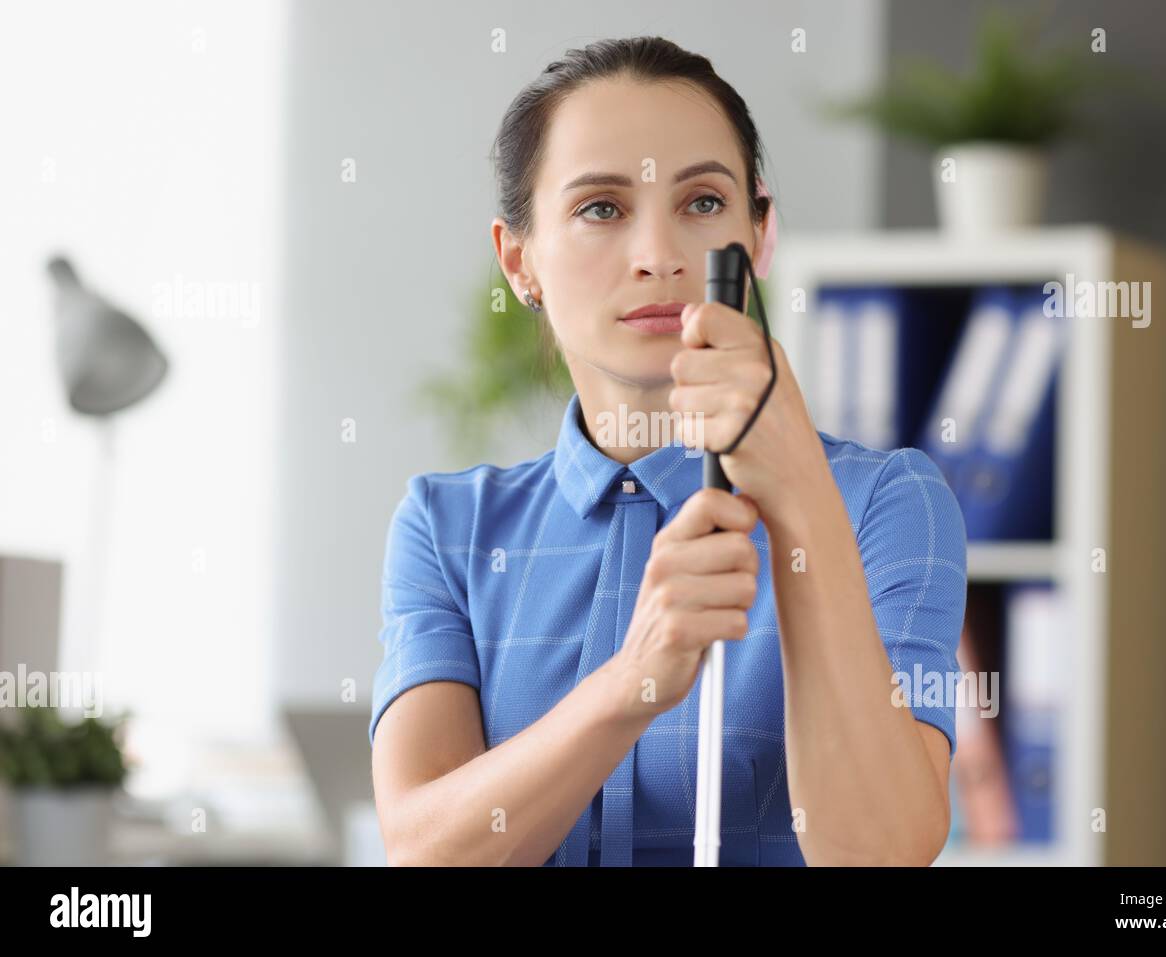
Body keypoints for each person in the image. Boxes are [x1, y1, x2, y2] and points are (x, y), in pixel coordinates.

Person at [369, 35, 967, 866]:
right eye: (601, 208)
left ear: (759, 235)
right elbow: (424, 849)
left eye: (703, 202)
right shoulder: (448, 528)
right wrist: (633, 679)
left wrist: (799, 495)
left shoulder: (885, 505)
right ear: (518, 260)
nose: (658, 257)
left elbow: (883, 849)